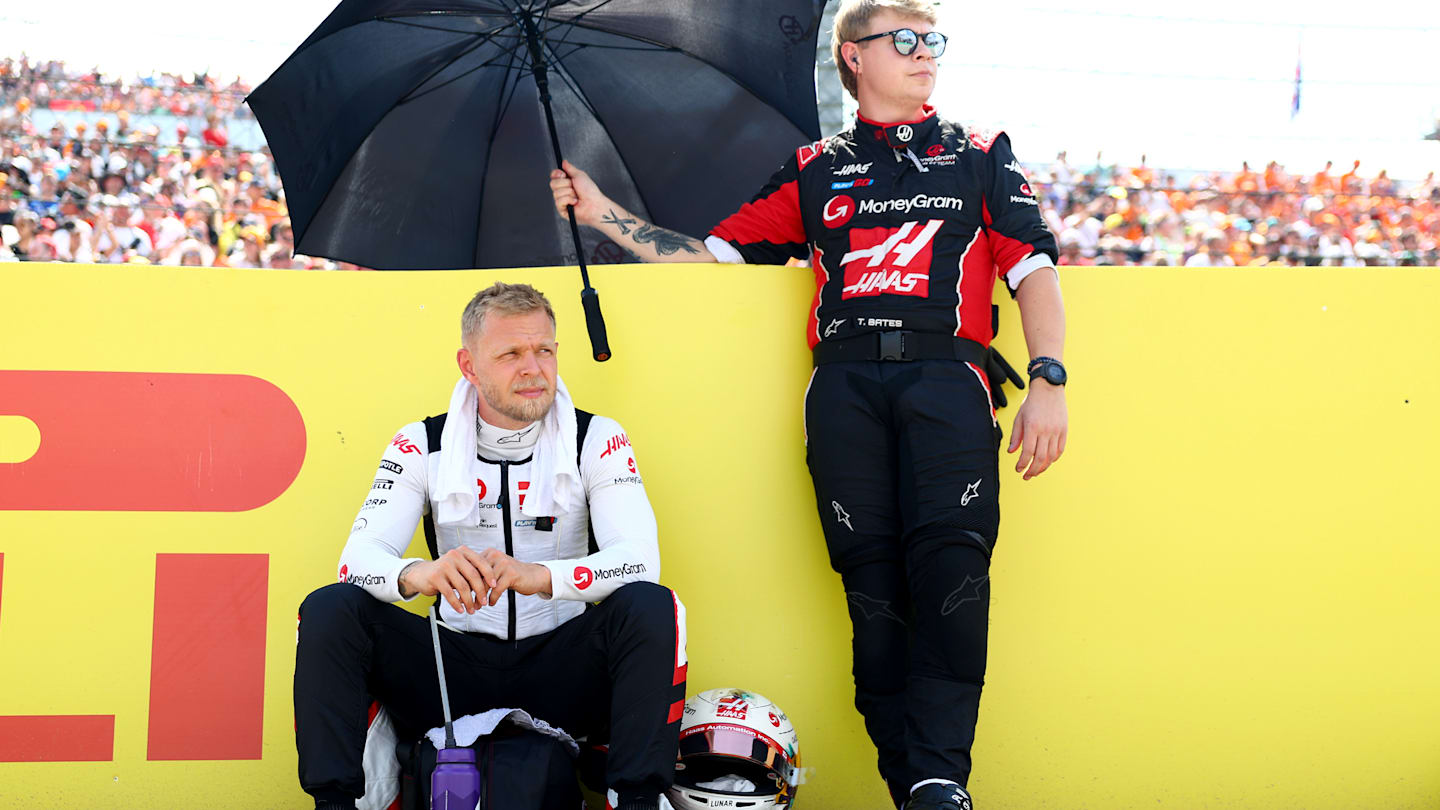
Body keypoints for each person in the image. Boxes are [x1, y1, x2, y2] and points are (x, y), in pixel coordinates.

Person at [547, 2, 1067, 807]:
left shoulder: (981, 153)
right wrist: (600, 211)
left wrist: (1048, 380)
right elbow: (713, 255)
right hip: (845, 393)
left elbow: (1033, 269)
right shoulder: (816, 166)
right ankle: (915, 782)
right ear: (853, 58)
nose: (926, 54)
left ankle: (939, 778)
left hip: (948, 384)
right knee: (873, 596)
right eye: (905, 41)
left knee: (953, 581)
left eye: (934, 40)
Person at [293, 283, 686, 810]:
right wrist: (421, 574)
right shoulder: (421, 443)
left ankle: (636, 802)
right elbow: (354, 563)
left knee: (652, 605)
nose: (534, 368)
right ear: (469, 365)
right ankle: (334, 805)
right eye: (511, 354)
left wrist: (540, 577)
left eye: (545, 350)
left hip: (561, 667)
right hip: (451, 671)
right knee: (330, 610)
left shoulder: (596, 437)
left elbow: (640, 559)